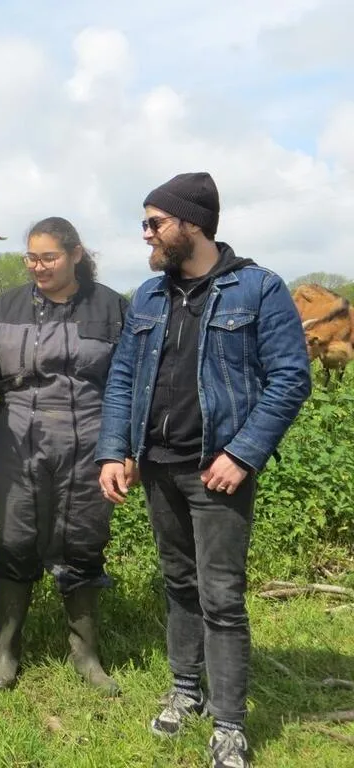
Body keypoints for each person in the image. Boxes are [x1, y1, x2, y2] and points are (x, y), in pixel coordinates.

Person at [96, 172, 311, 768]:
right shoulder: (147, 296)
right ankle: (185, 692)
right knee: (179, 585)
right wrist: (116, 450)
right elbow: (122, 378)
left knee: (222, 596)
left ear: (192, 223)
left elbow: (291, 377)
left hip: (217, 471)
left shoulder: (258, 289)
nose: (147, 234)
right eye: (146, 223)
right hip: (158, 466)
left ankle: (230, 724)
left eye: (154, 222)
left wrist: (241, 454)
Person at [0, 217, 127, 696]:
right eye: (31, 258)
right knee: (16, 538)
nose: (37, 266)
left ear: (75, 254)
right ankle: (6, 652)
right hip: (16, 436)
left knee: (83, 539)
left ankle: (86, 655)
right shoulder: (5, 306)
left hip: (91, 438)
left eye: (48, 257)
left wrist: (125, 448)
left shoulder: (111, 307)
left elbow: (129, 382)